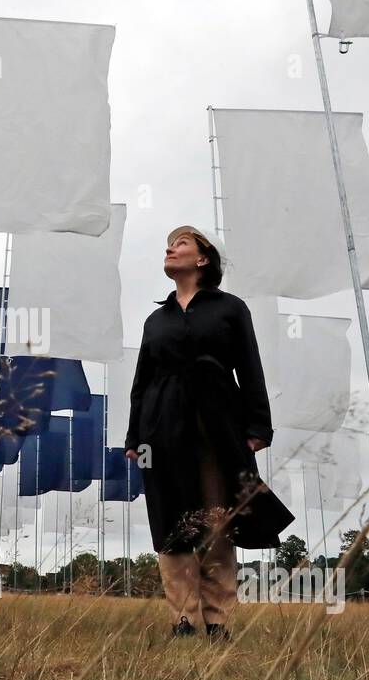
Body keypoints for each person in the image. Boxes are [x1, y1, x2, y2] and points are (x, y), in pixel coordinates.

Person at [125, 225, 294, 640]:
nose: (170, 248)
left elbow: (250, 367)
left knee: (217, 519)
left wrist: (258, 425)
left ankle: (217, 621)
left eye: (181, 243)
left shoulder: (230, 309)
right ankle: (181, 618)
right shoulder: (155, 320)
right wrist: (134, 438)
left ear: (203, 258)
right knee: (171, 523)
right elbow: (142, 381)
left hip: (217, 424)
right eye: (168, 244)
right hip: (160, 427)